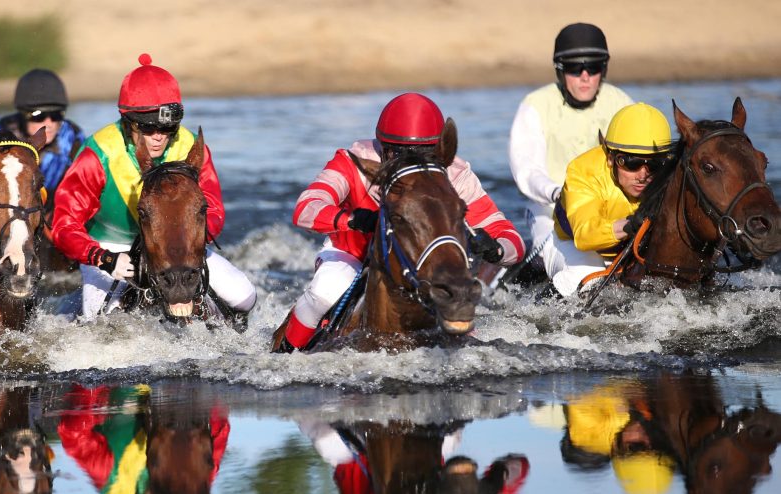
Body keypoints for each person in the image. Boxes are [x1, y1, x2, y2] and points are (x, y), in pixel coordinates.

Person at [279, 92, 525, 352]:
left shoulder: (457, 176)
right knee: (323, 293)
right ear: (384, 149)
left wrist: (496, 249)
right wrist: (353, 220)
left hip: (421, 262)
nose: (412, 162)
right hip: (352, 253)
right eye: (400, 153)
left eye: (425, 153)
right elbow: (306, 208)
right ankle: (282, 357)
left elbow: (512, 239)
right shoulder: (352, 162)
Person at [50, 54, 256, 321]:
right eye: (148, 128)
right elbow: (64, 225)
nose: (158, 136)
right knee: (101, 324)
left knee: (244, 296)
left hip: (178, 243)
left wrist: (186, 242)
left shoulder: (192, 147)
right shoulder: (97, 155)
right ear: (129, 123)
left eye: (167, 127)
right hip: (113, 246)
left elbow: (213, 210)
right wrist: (102, 258)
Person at [509, 23, 633, 266]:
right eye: (575, 69)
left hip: (611, 206)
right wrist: (557, 193)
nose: (585, 76)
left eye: (593, 67)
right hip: (549, 209)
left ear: (603, 70)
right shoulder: (534, 105)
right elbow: (527, 171)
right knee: (574, 262)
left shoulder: (622, 103)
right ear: (560, 70)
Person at [542, 102, 675, 297]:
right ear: (611, 158)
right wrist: (630, 225)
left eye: (654, 164)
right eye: (632, 163)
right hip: (573, 246)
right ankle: (545, 307)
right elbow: (585, 236)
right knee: (589, 275)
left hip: (629, 249)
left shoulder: (670, 172)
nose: (643, 175)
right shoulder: (582, 171)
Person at [0, 69, 87, 210]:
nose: (49, 123)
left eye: (56, 115)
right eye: (39, 116)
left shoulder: (73, 139)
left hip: (58, 214)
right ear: (23, 115)